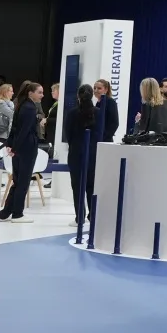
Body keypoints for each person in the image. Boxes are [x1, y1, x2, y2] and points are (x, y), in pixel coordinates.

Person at [0, 80, 45, 222]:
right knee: (23, 182)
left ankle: (5, 213)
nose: (42, 95)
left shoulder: (21, 105)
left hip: (20, 148)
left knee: (17, 181)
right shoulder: (30, 108)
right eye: (39, 92)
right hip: (27, 148)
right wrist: (14, 147)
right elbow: (24, 130)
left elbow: (15, 128)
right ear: (30, 93)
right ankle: (17, 214)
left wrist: (11, 145)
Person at [65, 84, 99, 232]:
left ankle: (80, 217)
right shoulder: (98, 112)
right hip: (93, 153)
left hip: (76, 152)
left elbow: (68, 134)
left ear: (78, 96)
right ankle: (93, 215)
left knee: (77, 186)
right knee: (92, 185)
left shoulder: (72, 113)